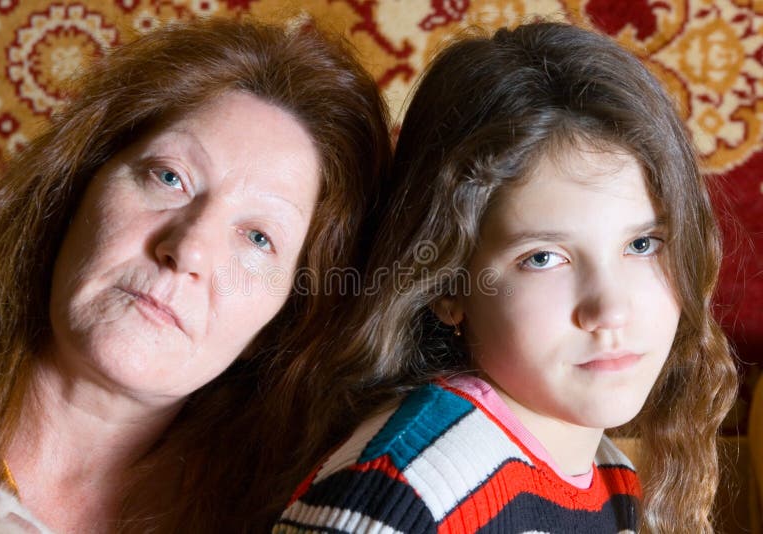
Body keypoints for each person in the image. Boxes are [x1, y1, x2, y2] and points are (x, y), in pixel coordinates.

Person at [275, 22, 738, 533]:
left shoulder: (611, 477)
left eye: (643, 244)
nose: (610, 310)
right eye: (543, 257)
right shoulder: (406, 489)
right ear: (449, 284)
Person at [0, 17, 391, 533]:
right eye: (170, 178)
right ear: (73, 191)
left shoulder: (295, 518)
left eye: (258, 238)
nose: (187, 249)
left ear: (282, 321)